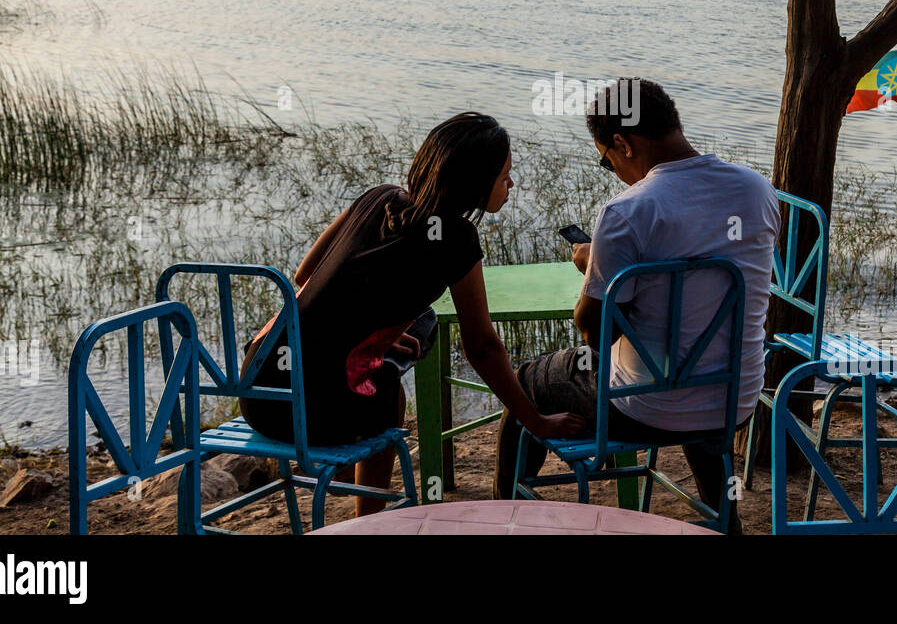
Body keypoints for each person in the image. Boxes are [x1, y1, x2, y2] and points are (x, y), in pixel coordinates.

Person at [239, 111, 583, 516]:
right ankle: (366, 518)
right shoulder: (457, 239)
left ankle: (351, 475)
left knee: (417, 326)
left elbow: (305, 275)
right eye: (504, 175)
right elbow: (483, 348)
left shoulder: (377, 197)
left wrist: (372, 329)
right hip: (312, 417)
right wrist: (537, 422)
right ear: (476, 180)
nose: (511, 184)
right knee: (394, 371)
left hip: (259, 391)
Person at [493, 79, 779, 532]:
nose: (615, 172)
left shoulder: (628, 211)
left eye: (608, 162)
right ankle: (727, 522)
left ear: (623, 144)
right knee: (691, 370)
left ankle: (501, 519)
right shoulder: (757, 191)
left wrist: (593, 267)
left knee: (526, 379)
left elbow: (595, 333)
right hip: (734, 400)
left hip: (644, 411)